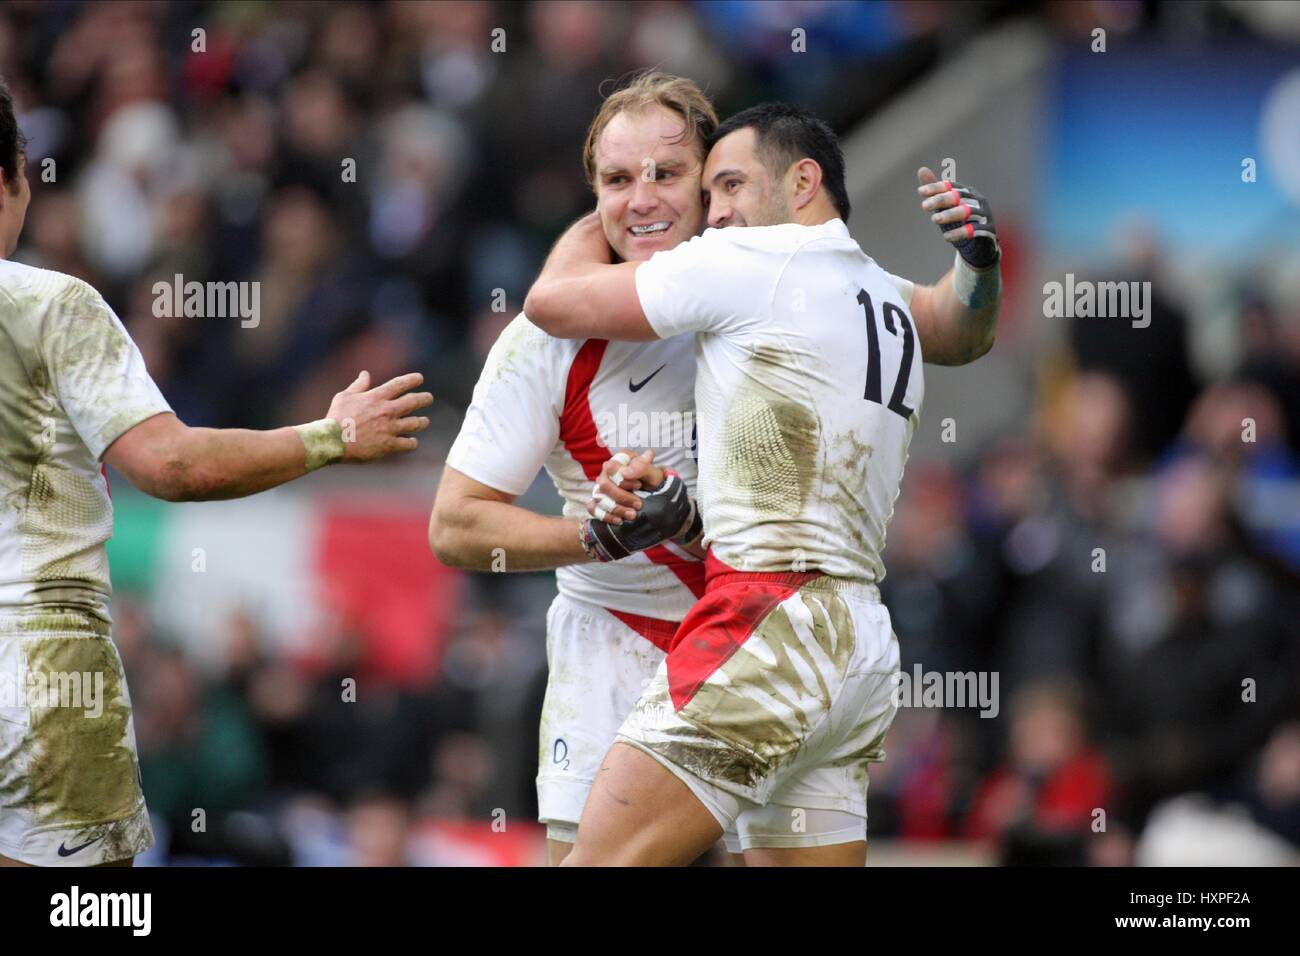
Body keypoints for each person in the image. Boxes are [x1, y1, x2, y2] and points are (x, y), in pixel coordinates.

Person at [524, 102, 1003, 865]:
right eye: (707, 196)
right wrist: (979, 265)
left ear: (804, 181)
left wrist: (611, 206)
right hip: (860, 646)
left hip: (765, 619)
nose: (714, 216)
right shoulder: (884, 294)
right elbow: (962, 330)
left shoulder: (751, 262)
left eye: (732, 186)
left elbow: (550, 305)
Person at [0, 78, 433, 867]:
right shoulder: (49, 306)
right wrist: (328, 437)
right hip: (40, 673)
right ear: (14, 175)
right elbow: (169, 465)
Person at [429, 71, 718, 866]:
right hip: (613, 644)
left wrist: (971, 285)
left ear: (712, 182)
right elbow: (455, 525)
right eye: (619, 179)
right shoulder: (544, 337)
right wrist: (595, 534)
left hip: (753, 636)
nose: (644, 199)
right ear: (594, 198)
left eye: (667, 173)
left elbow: (939, 334)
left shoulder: (768, 298)